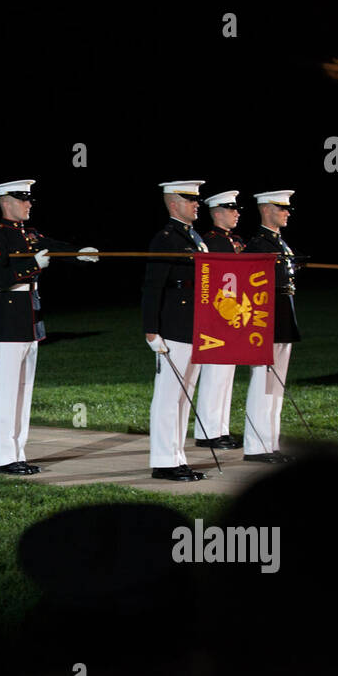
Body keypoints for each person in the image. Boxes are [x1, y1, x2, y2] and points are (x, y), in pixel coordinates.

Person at [0, 179, 98, 475]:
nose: (29, 203)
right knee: (7, 391)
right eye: (23, 199)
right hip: (9, 318)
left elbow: (54, 247)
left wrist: (78, 253)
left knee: (24, 391)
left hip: (29, 318)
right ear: (6, 202)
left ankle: (17, 452)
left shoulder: (30, 233)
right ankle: (2, 457)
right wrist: (32, 266)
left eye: (29, 199)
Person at [142, 180, 209, 481]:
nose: (197, 204)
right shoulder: (165, 239)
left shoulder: (193, 236)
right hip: (173, 325)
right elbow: (153, 286)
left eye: (196, 200)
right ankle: (163, 461)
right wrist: (151, 330)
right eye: (190, 199)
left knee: (184, 396)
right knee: (169, 397)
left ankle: (177, 456)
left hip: (194, 324)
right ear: (173, 204)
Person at [243, 190, 300, 463]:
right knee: (262, 385)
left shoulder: (279, 243)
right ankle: (256, 446)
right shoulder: (257, 246)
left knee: (276, 388)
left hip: (284, 319)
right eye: (281, 207)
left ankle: (270, 443)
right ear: (266, 210)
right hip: (265, 322)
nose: (287, 212)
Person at [192, 190, 244, 450]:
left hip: (233, 313)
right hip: (216, 315)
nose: (236, 213)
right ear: (216, 213)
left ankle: (220, 429)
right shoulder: (211, 241)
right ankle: (207, 432)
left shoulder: (234, 241)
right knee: (215, 373)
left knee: (226, 374)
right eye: (230, 208)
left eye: (236, 209)